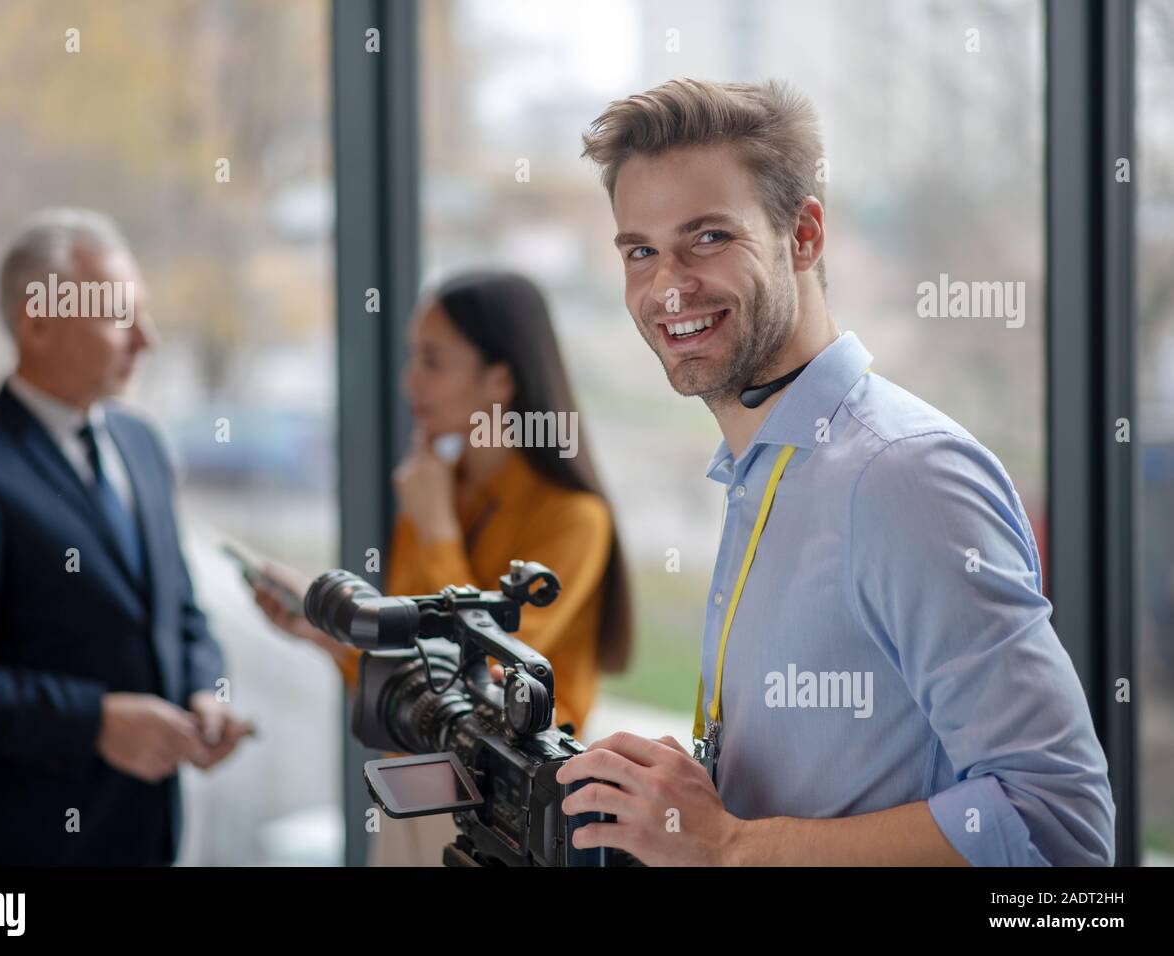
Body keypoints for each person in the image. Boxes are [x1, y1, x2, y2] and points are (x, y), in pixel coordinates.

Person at [553, 78, 1115, 866]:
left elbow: (1058, 828)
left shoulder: (903, 477)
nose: (667, 285)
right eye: (640, 251)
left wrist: (732, 846)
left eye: (708, 237)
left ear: (805, 235)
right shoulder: (764, 465)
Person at [0, 208, 252, 865]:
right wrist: (94, 723)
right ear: (38, 323)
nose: (148, 339)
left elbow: (182, 614)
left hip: (151, 837)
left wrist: (205, 692)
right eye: (121, 316)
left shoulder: (142, 443)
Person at [249, 270, 632, 864]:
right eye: (412, 357)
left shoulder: (571, 519)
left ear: (500, 377)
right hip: (417, 792)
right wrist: (327, 634)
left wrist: (435, 529)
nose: (410, 382)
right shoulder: (438, 492)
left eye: (433, 360)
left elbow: (482, 673)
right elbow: (413, 674)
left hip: (511, 819)